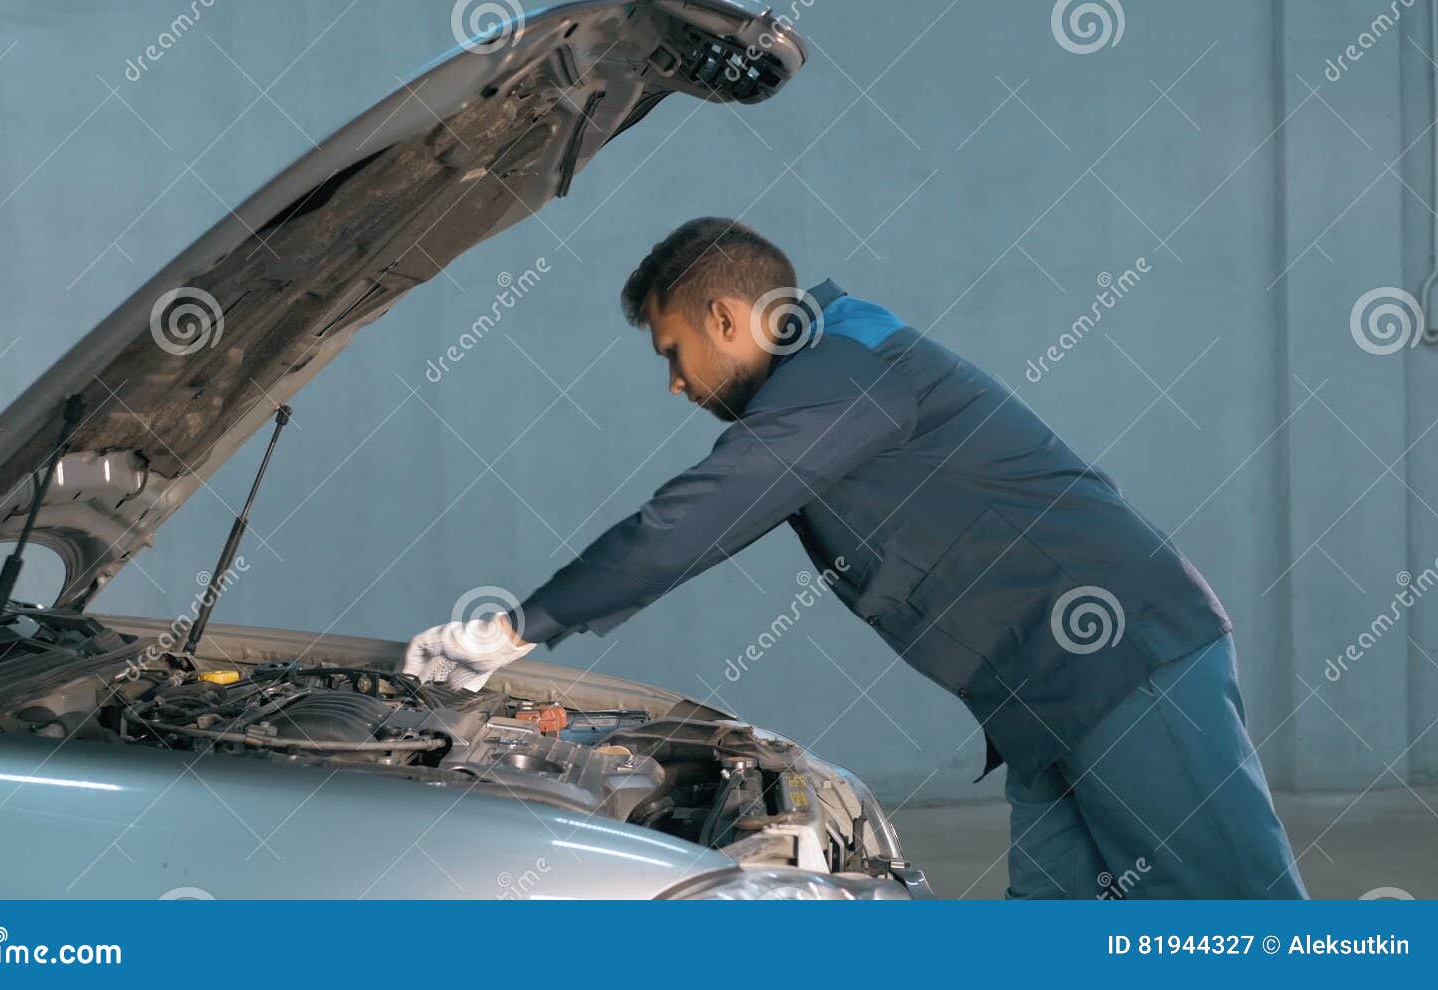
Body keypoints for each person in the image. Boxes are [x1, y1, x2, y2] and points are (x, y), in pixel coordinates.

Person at [403, 217, 1307, 899]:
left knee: (1239, 926)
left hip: (1125, 666)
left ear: (724, 316)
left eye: (673, 352)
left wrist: (521, 627)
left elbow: (702, 514)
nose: (675, 383)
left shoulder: (847, 369)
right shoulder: (839, 361)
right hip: (1044, 706)